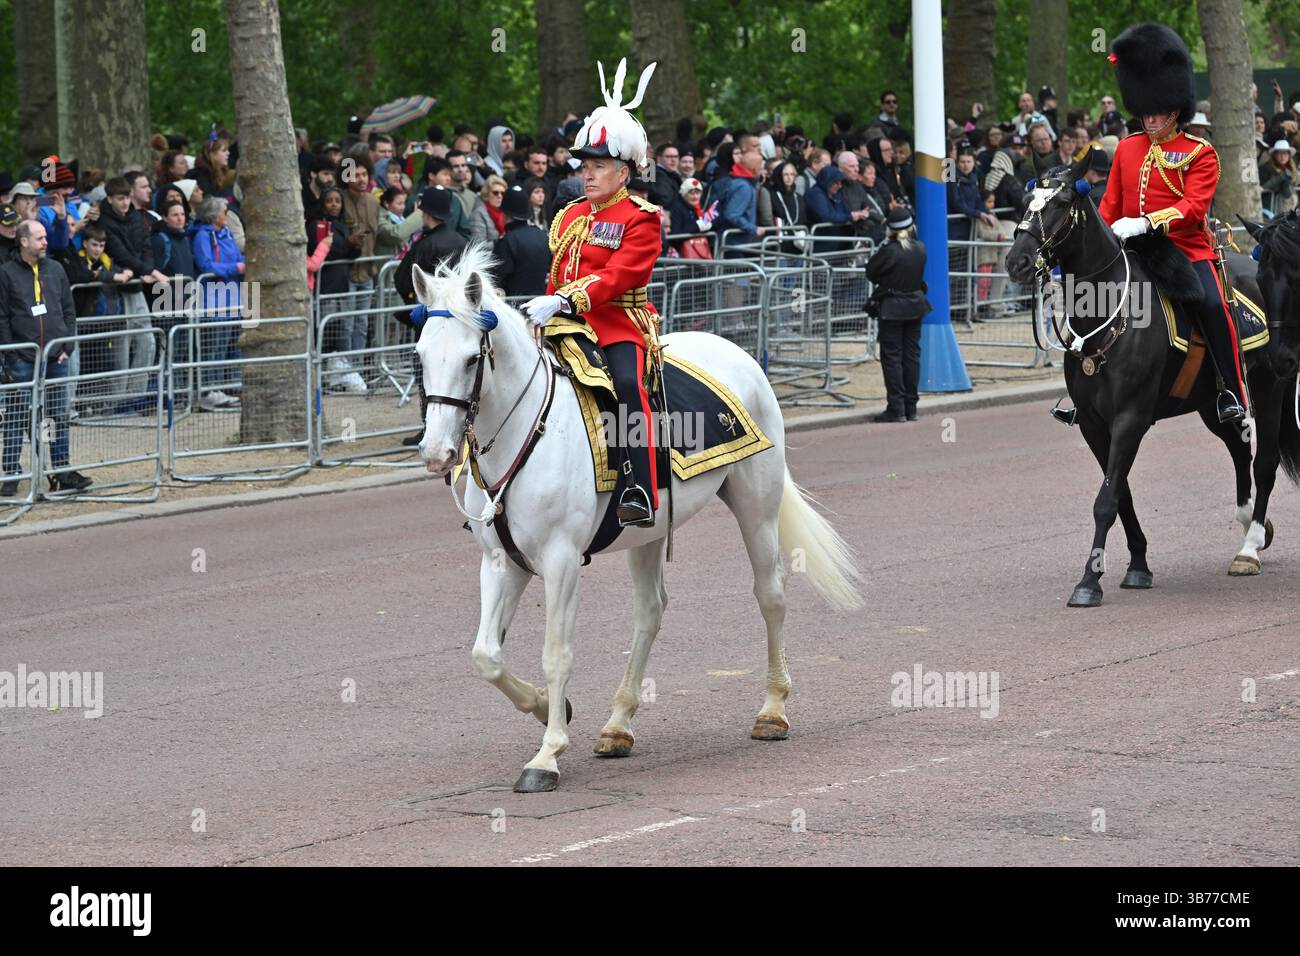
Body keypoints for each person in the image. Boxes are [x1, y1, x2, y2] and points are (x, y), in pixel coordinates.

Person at [522, 59, 665, 527]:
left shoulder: (640, 217)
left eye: (599, 166)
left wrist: (567, 300)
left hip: (618, 322)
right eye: (586, 166)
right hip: (563, 321)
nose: (588, 174)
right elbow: (557, 273)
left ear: (624, 172)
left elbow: (622, 275)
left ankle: (639, 487)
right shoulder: (567, 215)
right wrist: (545, 308)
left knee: (626, 384)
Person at [1100, 22, 1246, 423]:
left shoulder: (1199, 152)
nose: (1149, 119)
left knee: (1214, 307)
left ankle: (1232, 392)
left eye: (1157, 112)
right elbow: (1110, 206)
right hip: (1132, 251)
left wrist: (1146, 223)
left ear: (1175, 110)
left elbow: (1193, 209)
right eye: (1145, 111)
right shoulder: (1127, 149)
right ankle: (1085, 392)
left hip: (1185, 250)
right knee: (1089, 300)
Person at [0, 220, 92, 495]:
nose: (45, 242)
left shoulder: (55, 268)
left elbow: (68, 310)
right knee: (16, 416)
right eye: (39, 238)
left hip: (55, 357)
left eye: (45, 238)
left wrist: (67, 346)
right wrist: (10, 354)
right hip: (23, 358)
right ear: (24, 241)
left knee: (55, 416)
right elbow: (2, 317)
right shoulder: (6, 273)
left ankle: (60, 469)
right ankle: (13, 472)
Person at [393, 185, 467, 445]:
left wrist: (415, 305)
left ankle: (430, 429)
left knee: (428, 375)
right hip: (459, 321)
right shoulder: (461, 241)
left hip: (431, 321)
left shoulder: (425, 245)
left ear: (427, 214)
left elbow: (402, 279)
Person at [864, 206, 931, 423]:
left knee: (892, 358)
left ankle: (896, 407)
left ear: (890, 229)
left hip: (892, 309)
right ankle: (911, 407)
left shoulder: (888, 251)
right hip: (915, 306)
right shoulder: (920, 248)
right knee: (911, 357)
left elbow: (871, 273)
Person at [190, 197, 245, 410]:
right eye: (224, 211)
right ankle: (206, 390)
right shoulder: (202, 236)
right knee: (212, 346)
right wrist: (236, 269)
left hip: (232, 297)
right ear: (214, 215)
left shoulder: (227, 233)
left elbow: (236, 256)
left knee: (226, 345)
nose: (227, 215)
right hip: (213, 299)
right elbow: (206, 264)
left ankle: (222, 387)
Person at [492, 185, 551, 296]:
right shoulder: (542, 236)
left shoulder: (508, 241)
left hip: (514, 305)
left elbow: (498, 278)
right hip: (541, 301)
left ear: (505, 214)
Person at [1259, 140, 1298, 215]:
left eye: (1285, 153)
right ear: (1275, 155)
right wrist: (1280, 177)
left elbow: (1295, 181)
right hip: (1269, 209)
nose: (1282, 156)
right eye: (1280, 153)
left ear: (1289, 155)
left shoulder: (1291, 169)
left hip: (1288, 208)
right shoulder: (1266, 168)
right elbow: (1262, 188)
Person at [471, 174, 508, 243]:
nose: (499, 196)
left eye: (502, 193)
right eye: (495, 193)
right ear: (486, 194)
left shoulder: (506, 212)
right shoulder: (478, 214)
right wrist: (500, 242)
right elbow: (478, 244)